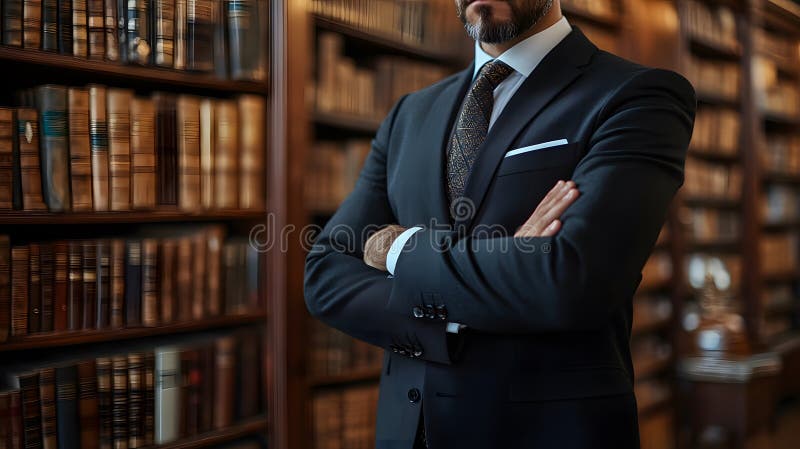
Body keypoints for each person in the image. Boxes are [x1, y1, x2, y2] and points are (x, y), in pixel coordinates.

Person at [304, 1, 696, 448]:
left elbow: (569, 280)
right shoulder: (409, 114)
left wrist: (399, 250)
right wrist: (489, 285)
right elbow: (325, 275)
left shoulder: (637, 96)